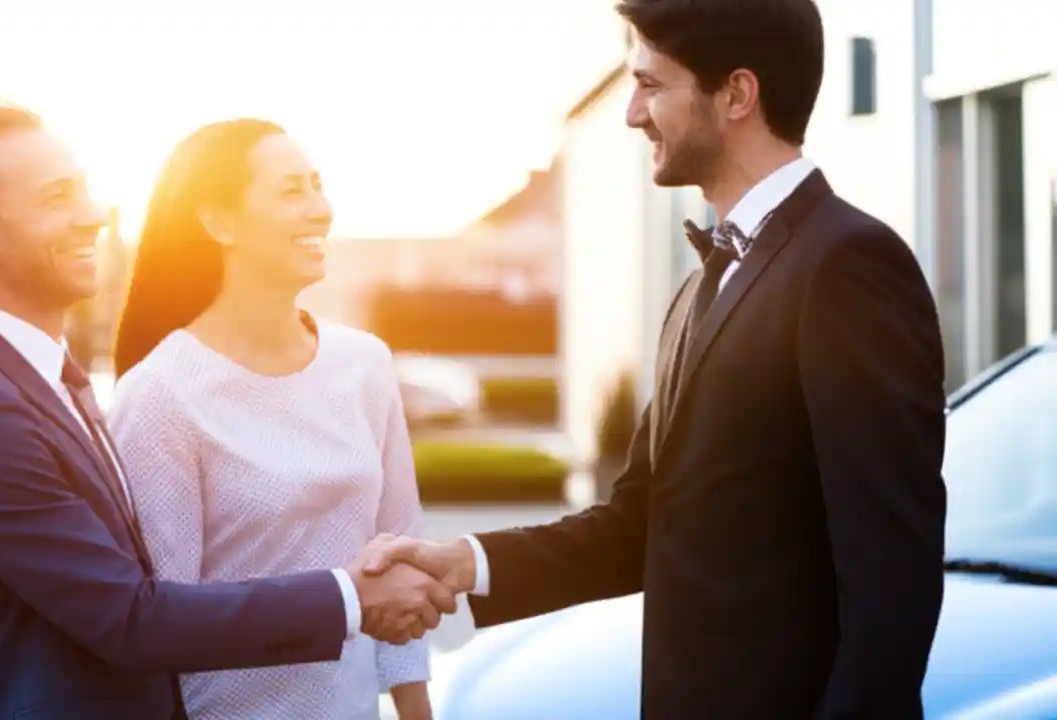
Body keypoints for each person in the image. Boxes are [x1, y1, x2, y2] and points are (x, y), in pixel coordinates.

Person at [365, 0, 948, 717]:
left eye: (652, 85)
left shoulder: (850, 265)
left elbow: (892, 577)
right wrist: (467, 562)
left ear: (737, 94)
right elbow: (638, 526)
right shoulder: (701, 285)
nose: (633, 114)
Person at [0, 105, 453, 720]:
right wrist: (350, 598)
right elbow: (133, 617)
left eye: (84, 189)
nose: (91, 215)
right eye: (56, 198)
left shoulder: (36, 375)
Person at [104, 118, 433, 720]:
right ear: (218, 221)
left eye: (318, 185)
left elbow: (401, 562)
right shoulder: (160, 394)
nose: (320, 209)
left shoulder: (364, 364)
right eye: (291, 191)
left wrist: (417, 712)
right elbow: (163, 622)